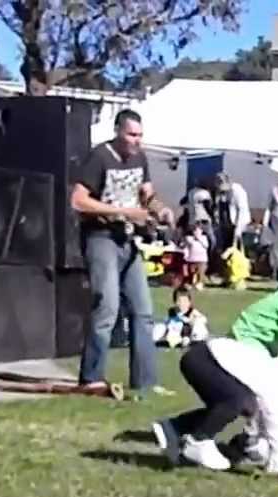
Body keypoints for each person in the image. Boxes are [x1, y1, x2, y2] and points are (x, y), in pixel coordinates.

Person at [71, 109, 172, 399]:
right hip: (99, 237)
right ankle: (91, 378)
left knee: (143, 311)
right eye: (130, 134)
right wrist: (121, 211)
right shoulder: (99, 157)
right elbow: (78, 200)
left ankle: (146, 382)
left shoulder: (140, 158)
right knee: (107, 308)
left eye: (139, 135)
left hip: (127, 240)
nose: (135, 141)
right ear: (117, 132)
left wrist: (159, 209)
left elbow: (147, 195)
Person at [154, 337, 278, 478]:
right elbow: (277, 424)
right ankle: (199, 441)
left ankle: (172, 428)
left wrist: (253, 446)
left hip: (200, 356)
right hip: (204, 358)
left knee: (241, 404)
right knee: (237, 400)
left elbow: (260, 421)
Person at [181, 219, 211, 289]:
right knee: (191, 273)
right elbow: (187, 246)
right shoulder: (189, 238)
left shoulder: (204, 238)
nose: (196, 232)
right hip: (192, 259)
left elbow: (206, 246)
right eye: (195, 230)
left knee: (201, 272)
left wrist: (199, 239)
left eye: (198, 230)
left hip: (202, 259)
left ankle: (200, 284)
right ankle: (190, 283)